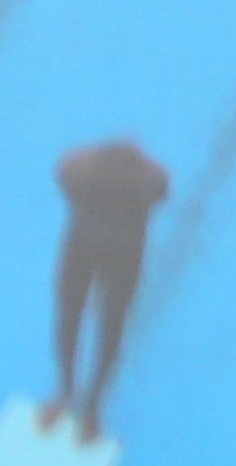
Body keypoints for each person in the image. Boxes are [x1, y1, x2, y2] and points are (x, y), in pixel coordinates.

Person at [46, 138, 163, 445]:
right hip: (111, 250)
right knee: (98, 325)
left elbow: (65, 177)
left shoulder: (78, 173)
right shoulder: (146, 184)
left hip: (101, 248)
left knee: (94, 324)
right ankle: (79, 399)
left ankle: (79, 399)